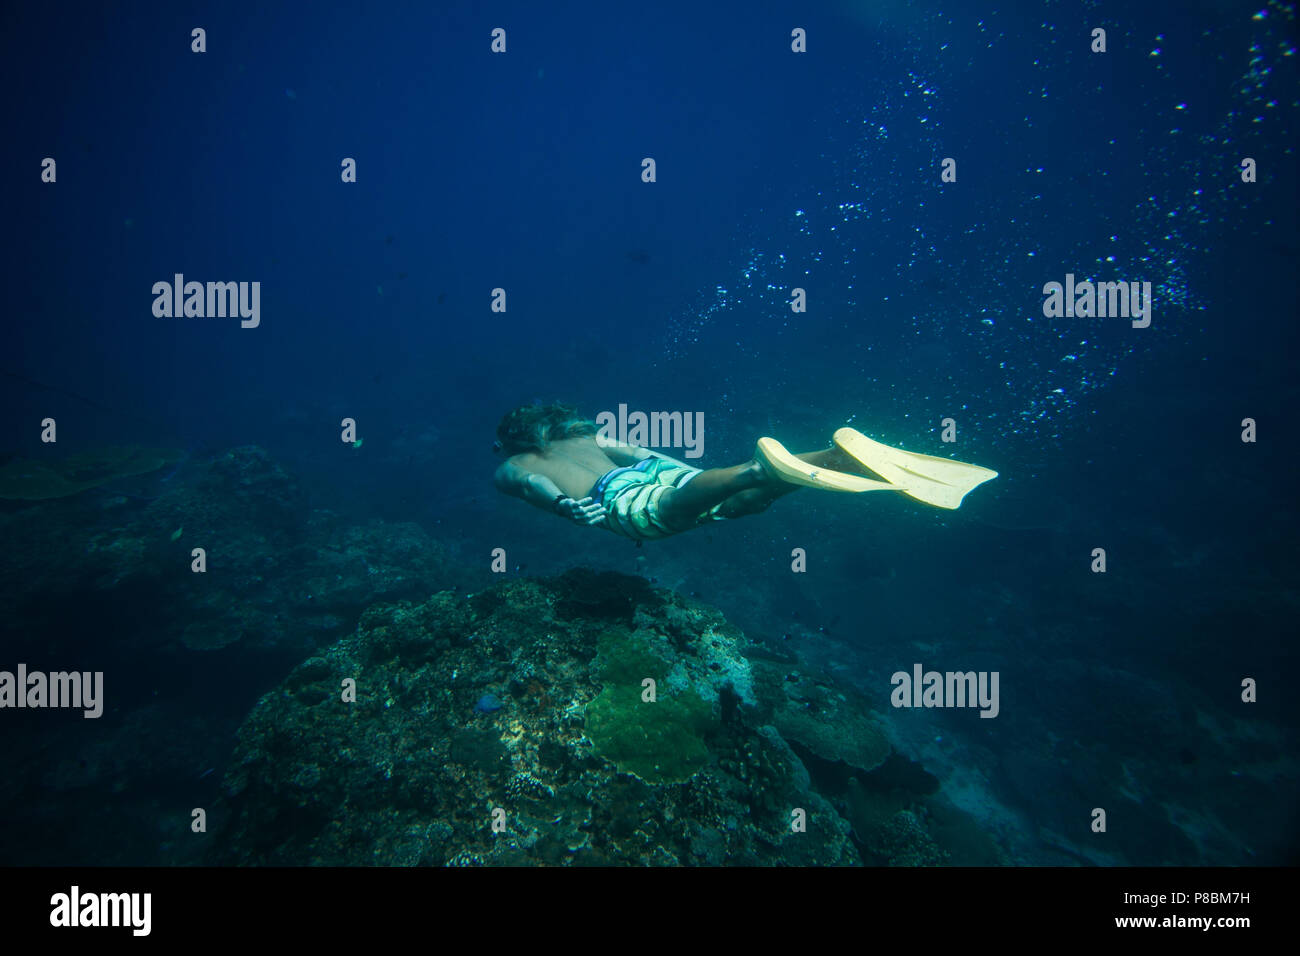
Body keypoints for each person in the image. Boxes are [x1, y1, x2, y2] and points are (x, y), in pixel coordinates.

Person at [492, 403, 998, 542]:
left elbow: (529, 483)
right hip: (654, 472)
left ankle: (756, 472)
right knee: (726, 507)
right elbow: (641, 450)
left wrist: (560, 503)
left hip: (613, 498)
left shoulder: (511, 463)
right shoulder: (587, 435)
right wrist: (695, 473)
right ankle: (827, 459)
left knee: (665, 514)